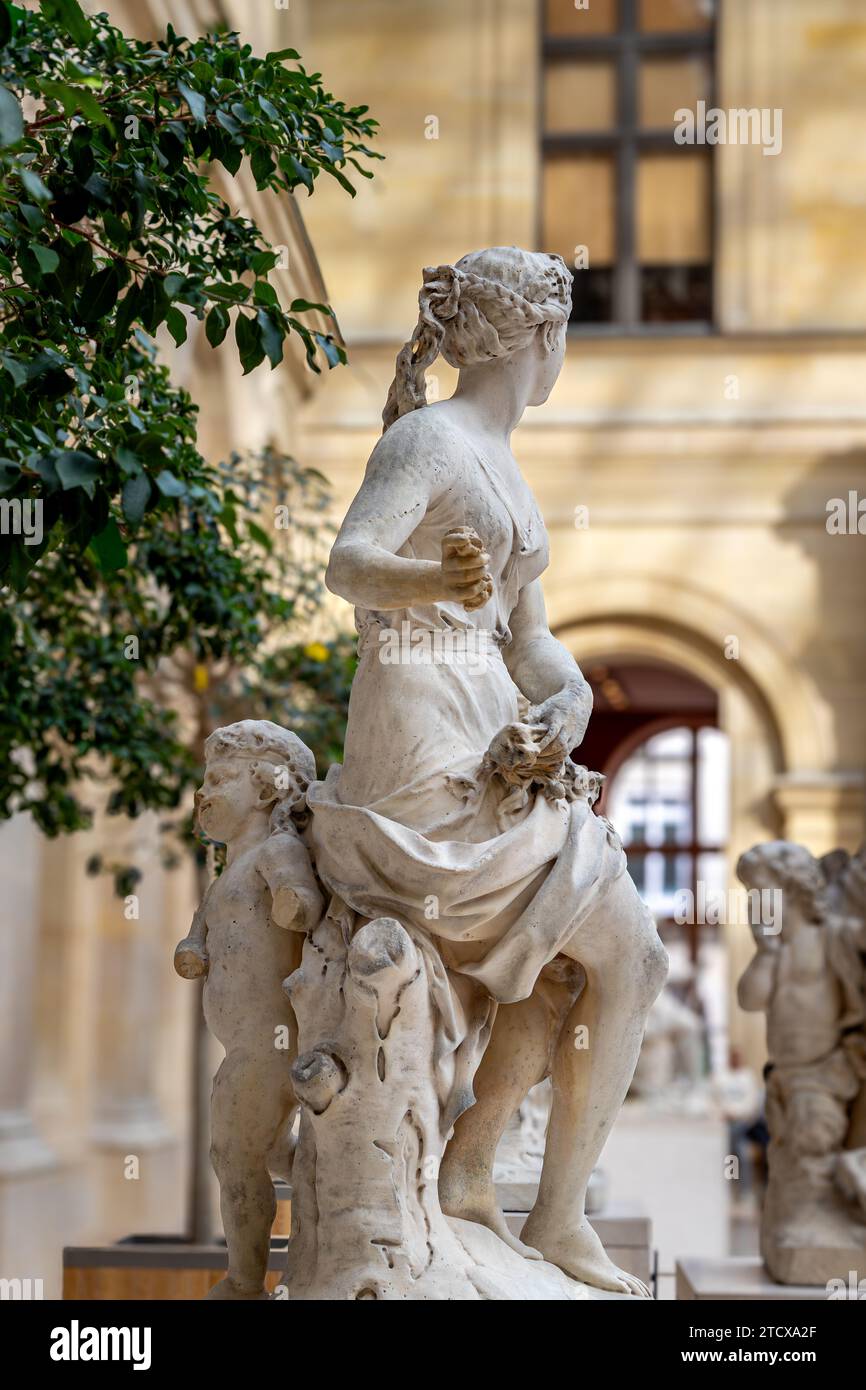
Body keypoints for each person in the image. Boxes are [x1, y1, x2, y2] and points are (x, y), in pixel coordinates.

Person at [310, 248, 668, 1294]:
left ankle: (484, 1176)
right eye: (562, 333)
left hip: (490, 722)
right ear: (535, 338)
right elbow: (346, 561)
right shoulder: (429, 440)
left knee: (596, 961)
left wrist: (570, 700)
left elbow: (529, 639)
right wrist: (431, 575)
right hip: (420, 733)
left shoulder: (505, 466)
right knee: (626, 954)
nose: (565, 354)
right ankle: (541, 1208)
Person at [174, 719, 322, 1299]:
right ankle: (320, 1198)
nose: (202, 794)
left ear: (267, 787)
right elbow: (199, 935)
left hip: (269, 1043)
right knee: (268, 1150)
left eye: (218, 779)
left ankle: (243, 1283)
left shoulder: (277, 852)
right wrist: (191, 951)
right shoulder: (224, 876)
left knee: (233, 1154)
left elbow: (302, 903)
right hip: (246, 1046)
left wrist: (294, 905)